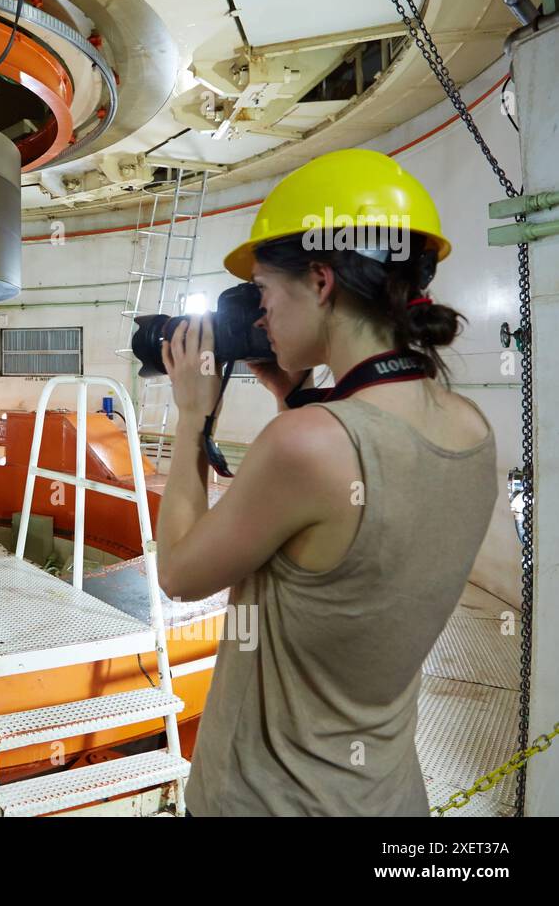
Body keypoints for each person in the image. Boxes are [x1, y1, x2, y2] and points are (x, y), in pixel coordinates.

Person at [154, 148, 498, 816]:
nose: (259, 317)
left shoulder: (308, 446)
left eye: (262, 292)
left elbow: (179, 571)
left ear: (319, 281)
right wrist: (294, 398)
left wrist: (193, 411)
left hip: (269, 799)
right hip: (386, 795)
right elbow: (352, 543)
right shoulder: (473, 429)